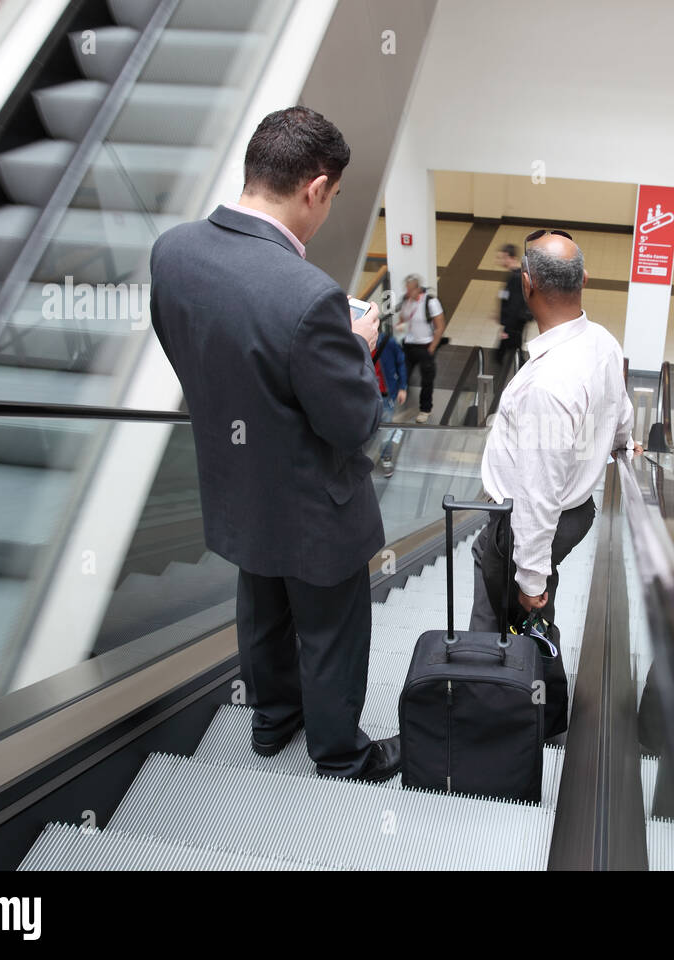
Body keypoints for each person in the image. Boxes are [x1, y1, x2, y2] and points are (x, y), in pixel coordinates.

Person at [148, 106, 400, 783]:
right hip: (314, 504)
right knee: (330, 631)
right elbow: (354, 423)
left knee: (259, 607)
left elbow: (194, 356)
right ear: (315, 188)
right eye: (333, 198)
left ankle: (271, 721)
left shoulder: (173, 252)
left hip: (234, 485)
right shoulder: (309, 297)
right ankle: (341, 756)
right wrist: (354, 346)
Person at [469, 229, 643, 728]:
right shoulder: (603, 342)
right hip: (575, 510)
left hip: (528, 521)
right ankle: (549, 713)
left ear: (527, 285)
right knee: (532, 620)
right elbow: (620, 409)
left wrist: (530, 578)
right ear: (583, 280)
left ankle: (489, 720)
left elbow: (538, 494)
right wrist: (623, 444)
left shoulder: (549, 384)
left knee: (502, 616)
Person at [395, 274, 445, 422]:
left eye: (410, 289)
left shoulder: (431, 302)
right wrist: (401, 328)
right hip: (409, 346)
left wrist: (432, 347)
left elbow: (440, 325)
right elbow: (403, 319)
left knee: (427, 380)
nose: (408, 292)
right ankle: (402, 405)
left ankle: (425, 409)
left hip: (425, 347)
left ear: (418, 289)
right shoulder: (405, 300)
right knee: (403, 375)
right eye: (406, 289)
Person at [371, 318, 407, 476]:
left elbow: (400, 362)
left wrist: (402, 387)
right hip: (367, 396)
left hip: (385, 395)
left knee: (385, 427)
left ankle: (386, 457)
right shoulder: (356, 344)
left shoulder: (387, 342)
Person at [495, 243, 531, 373]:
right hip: (514, 322)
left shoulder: (516, 277)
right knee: (511, 347)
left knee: (514, 348)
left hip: (514, 323)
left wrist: (506, 328)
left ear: (510, 257)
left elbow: (514, 305)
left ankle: (521, 370)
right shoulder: (515, 274)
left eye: (502, 257)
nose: (499, 261)